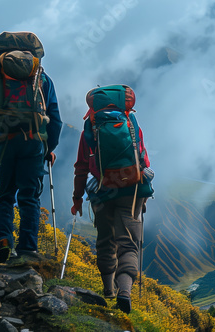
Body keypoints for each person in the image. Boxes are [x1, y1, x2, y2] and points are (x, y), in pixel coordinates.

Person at [0, 32, 63, 266]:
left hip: (4, 142)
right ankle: (27, 248)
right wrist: (48, 148)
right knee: (29, 196)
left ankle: (4, 240)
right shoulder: (42, 80)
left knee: (5, 195)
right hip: (34, 141)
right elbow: (55, 119)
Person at [71, 84, 152, 314]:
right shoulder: (131, 123)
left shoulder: (91, 126)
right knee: (128, 244)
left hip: (102, 192)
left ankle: (108, 292)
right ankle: (125, 292)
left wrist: (77, 198)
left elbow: (81, 167)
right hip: (132, 192)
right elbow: (143, 161)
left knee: (106, 241)